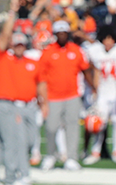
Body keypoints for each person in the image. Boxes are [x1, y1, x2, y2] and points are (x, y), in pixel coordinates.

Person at [0, 0, 44, 185]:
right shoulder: (0, 56)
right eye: (16, 45)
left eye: (21, 45)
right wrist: (12, 13)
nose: (19, 47)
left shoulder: (24, 61)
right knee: (11, 143)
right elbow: (4, 35)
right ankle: (10, 179)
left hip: (8, 104)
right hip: (4, 104)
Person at [38, 21, 93, 171]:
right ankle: (50, 155)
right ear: (55, 35)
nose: (62, 35)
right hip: (53, 96)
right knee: (50, 127)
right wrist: (42, 98)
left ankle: (71, 157)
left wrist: (93, 87)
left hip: (72, 95)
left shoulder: (76, 50)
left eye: (64, 33)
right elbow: (41, 78)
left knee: (72, 127)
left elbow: (86, 70)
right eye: (59, 33)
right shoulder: (48, 52)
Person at [84, 26, 116, 164]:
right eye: (105, 39)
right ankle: (95, 151)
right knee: (99, 123)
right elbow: (96, 72)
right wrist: (95, 90)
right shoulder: (96, 52)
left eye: (110, 39)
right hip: (103, 93)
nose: (108, 42)